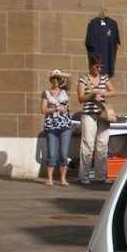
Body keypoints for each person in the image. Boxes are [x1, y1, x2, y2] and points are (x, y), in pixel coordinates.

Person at [77, 52, 117, 183]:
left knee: (102, 144)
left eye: (101, 67)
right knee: (88, 144)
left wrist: (103, 92)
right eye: (97, 67)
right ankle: (84, 175)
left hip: (103, 113)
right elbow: (80, 98)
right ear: (91, 66)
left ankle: (101, 175)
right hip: (89, 114)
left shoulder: (104, 78)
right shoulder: (83, 79)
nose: (99, 69)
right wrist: (92, 95)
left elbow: (114, 91)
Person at [39, 69, 73, 186]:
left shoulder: (65, 91)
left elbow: (70, 77)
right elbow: (43, 110)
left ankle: (63, 178)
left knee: (63, 153)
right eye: (53, 78)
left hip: (65, 125)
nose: (55, 80)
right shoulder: (46, 93)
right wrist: (55, 109)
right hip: (51, 125)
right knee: (51, 152)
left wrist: (57, 73)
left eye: (57, 78)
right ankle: (49, 178)